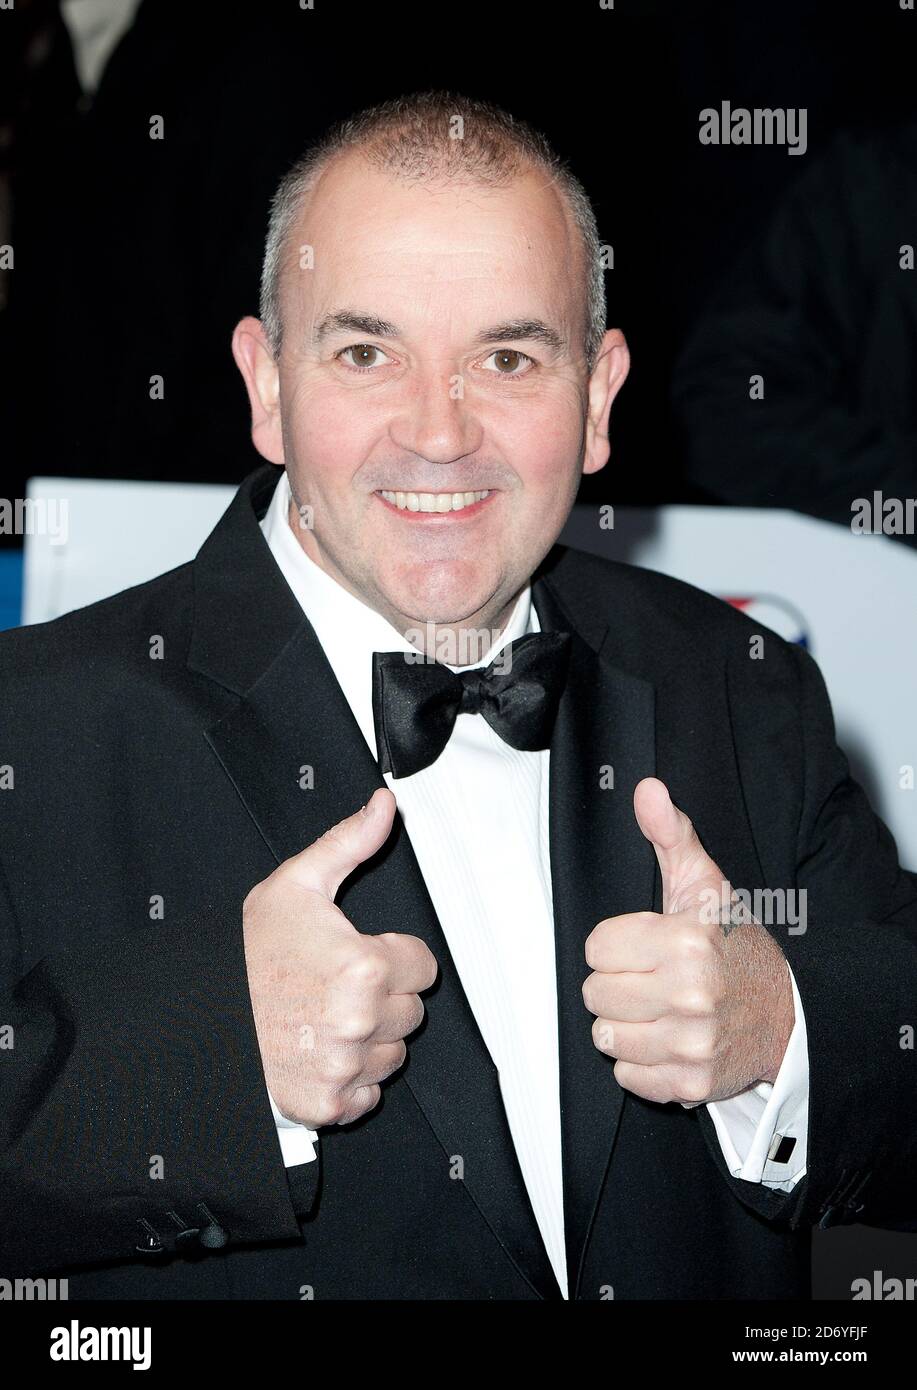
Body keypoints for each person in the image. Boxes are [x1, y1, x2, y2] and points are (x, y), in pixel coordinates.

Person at [0, 91, 914, 1301]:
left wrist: (782, 1031)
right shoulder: (34, 727)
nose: (438, 433)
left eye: (507, 355)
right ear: (266, 384)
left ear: (596, 397)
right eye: (366, 352)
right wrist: (210, 1064)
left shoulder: (741, 687)